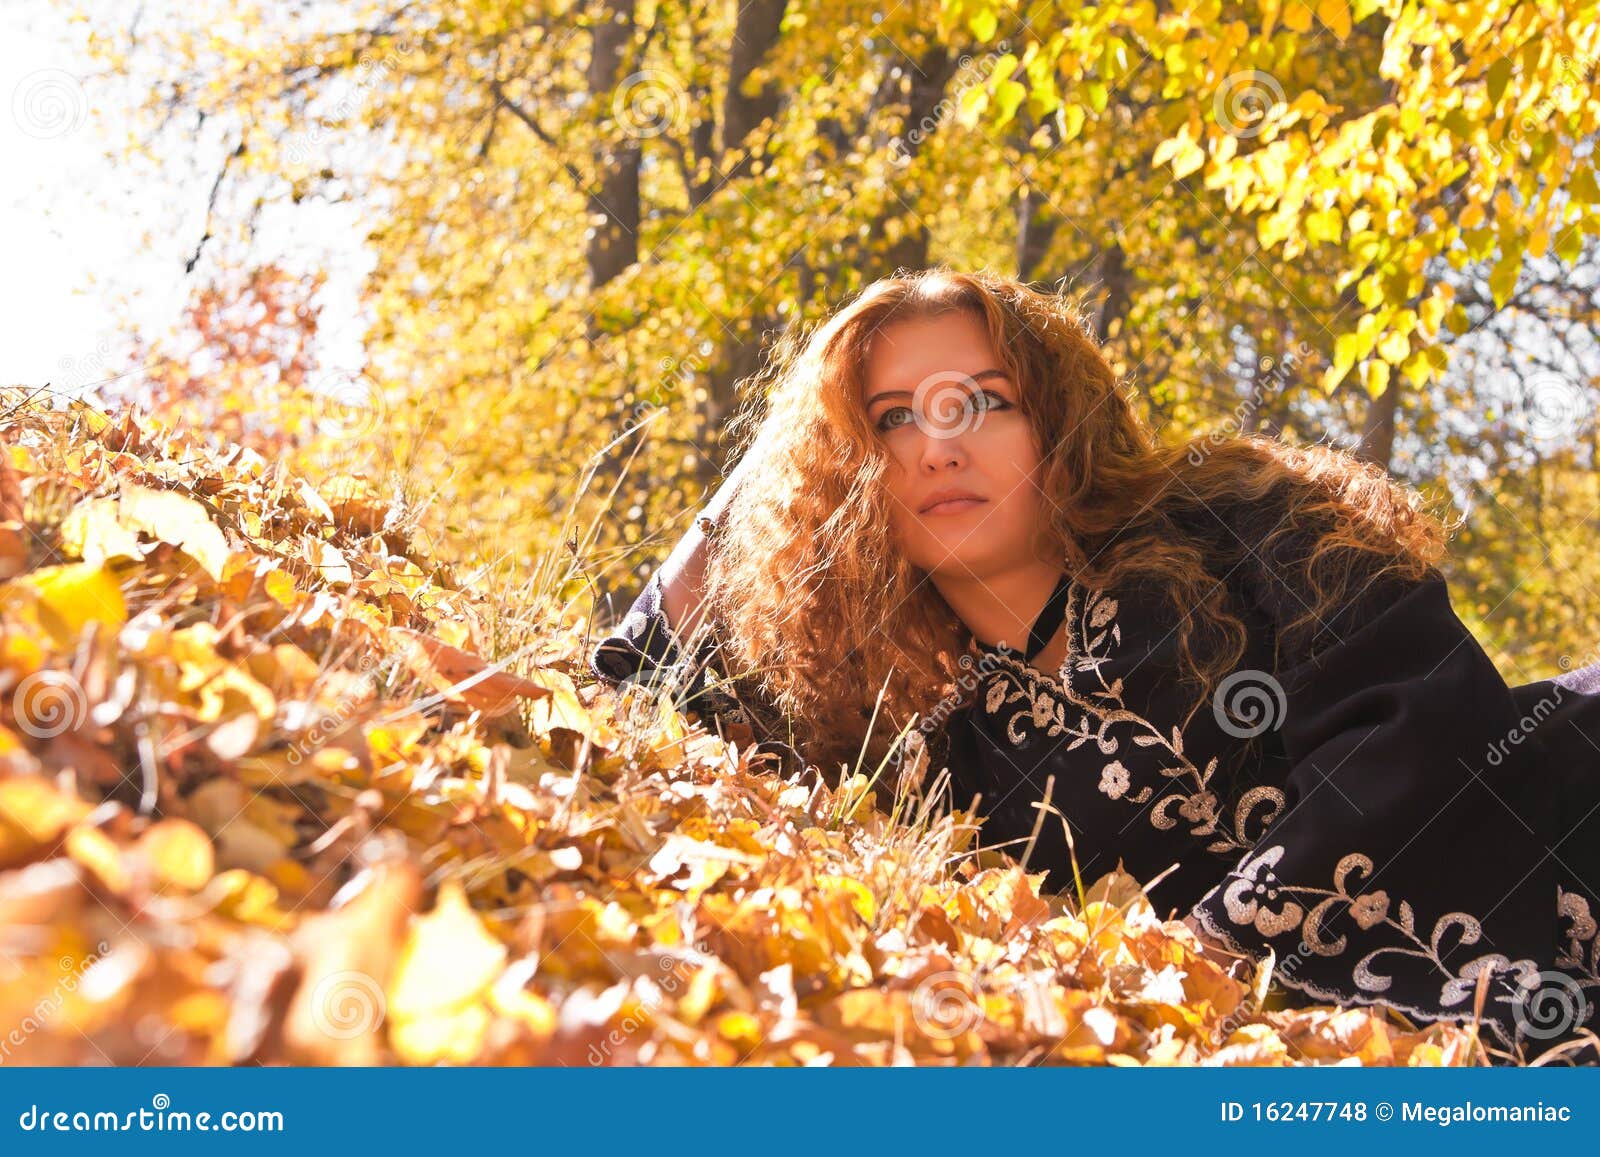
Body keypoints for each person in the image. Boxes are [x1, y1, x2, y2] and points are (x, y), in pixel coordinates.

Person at [589, 268, 1600, 1063]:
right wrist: (756, 484)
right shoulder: (908, 739)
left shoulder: (1242, 520)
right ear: (844, 471)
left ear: (1059, 419)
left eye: (979, 401)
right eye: (889, 418)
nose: (937, 447)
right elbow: (637, 684)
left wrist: (1203, 949)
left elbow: (1421, 729)